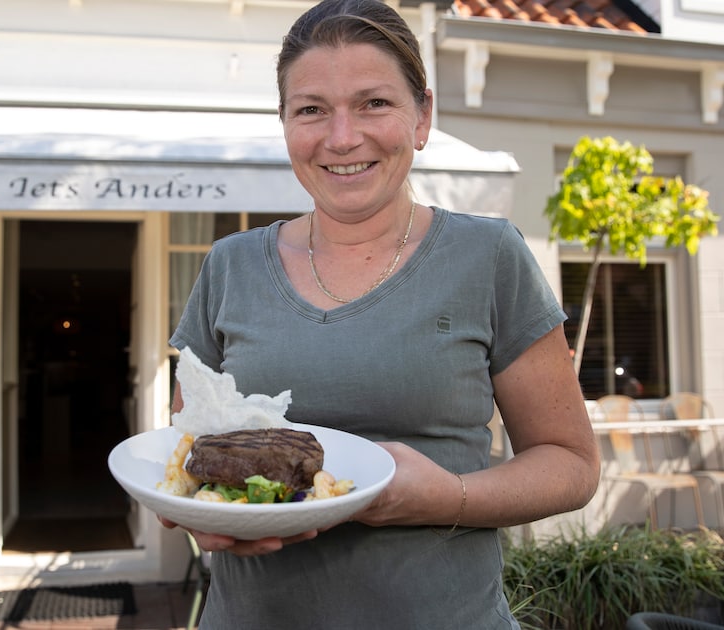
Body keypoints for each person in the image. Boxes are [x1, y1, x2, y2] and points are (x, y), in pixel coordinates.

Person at [162, 0, 600, 627]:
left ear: (422, 116)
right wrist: (200, 514)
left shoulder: (489, 256)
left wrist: (448, 497)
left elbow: (571, 464)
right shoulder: (229, 266)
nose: (342, 138)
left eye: (373, 103)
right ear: (285, 123)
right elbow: (181, 455)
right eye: (311, 109)